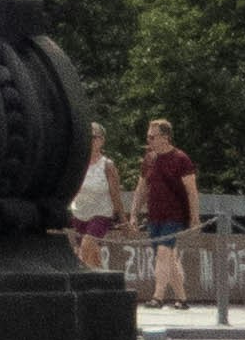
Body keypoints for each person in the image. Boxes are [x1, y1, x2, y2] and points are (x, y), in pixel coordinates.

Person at [135, 114, 202, 305]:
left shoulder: (181, 159)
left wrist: (195, 217)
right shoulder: (149, 159)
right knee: (168, 257)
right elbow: (141, 188)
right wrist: (133, 212)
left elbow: (192, 191)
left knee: (164, 252)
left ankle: (158, 296)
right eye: (148, 136)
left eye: (152, 136)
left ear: (165, 137)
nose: (149, 140)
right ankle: (182, 298)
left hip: (175, 215)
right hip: (155, 214)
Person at [67, 122, 122, 274]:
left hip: (101, 213)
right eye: (88, 138)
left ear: (102, 140)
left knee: (86, 246)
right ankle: (103, 287)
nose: (91, 141)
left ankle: (84, 285)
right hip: (80, 213)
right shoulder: (78, 163)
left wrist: (122, 218)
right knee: (91, 255)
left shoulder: (107, 165)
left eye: (94, 138)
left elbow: (115, 193)